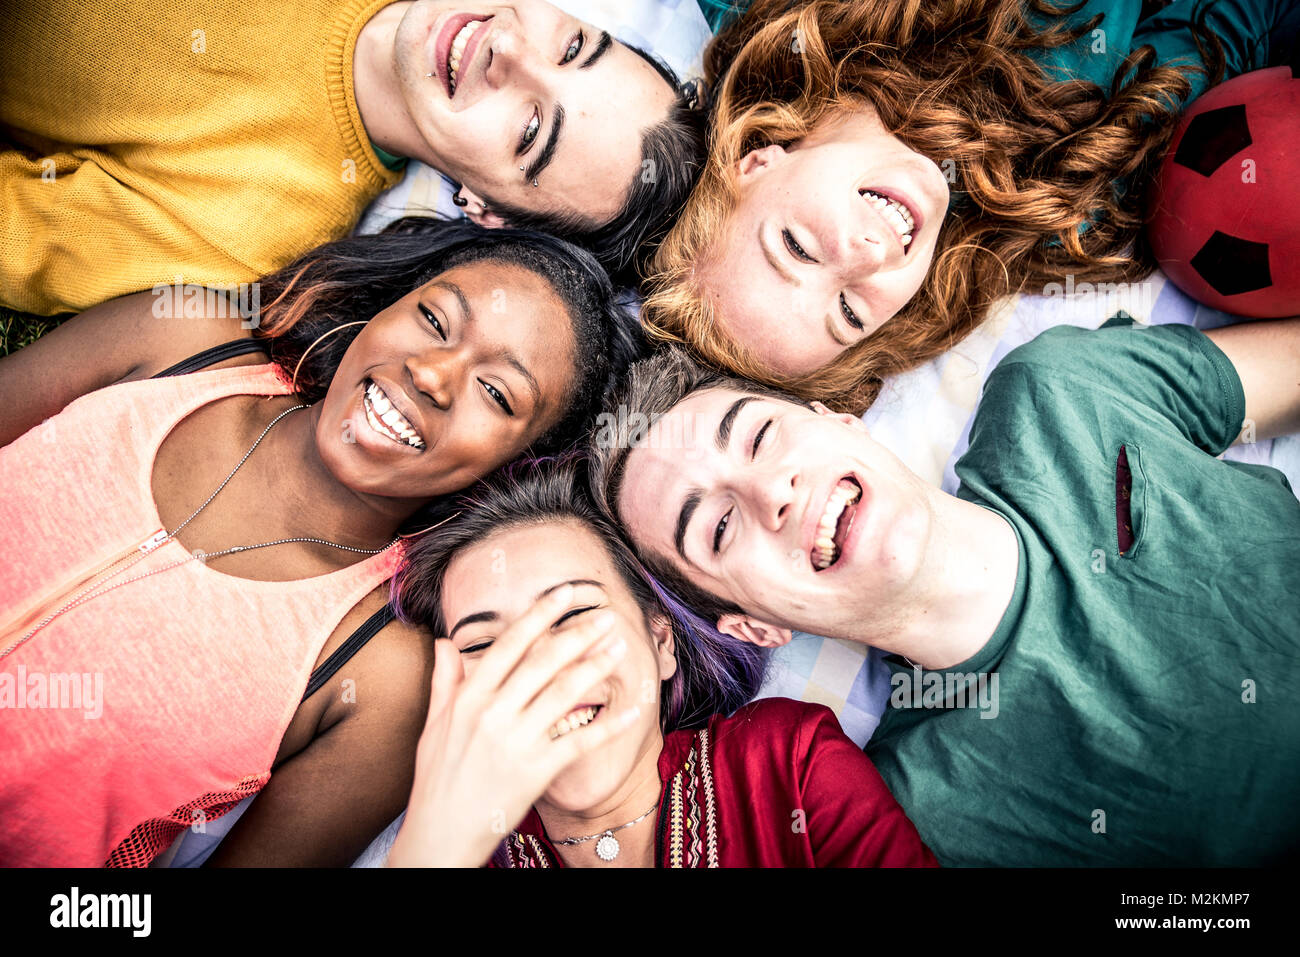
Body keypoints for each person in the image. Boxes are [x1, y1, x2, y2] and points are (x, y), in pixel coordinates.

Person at [0, 218, 637, 867]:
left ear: (511, 466)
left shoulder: (383, 676)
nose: (433, 374)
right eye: (434, 319)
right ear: (387, 303)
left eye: (496, 392)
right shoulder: (180, 341)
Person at [587, 315, 1300, 865]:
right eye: (716, 527)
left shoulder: (1062, 386)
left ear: (836, 420)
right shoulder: (934, 815)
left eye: (761, 436)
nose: (771, 490)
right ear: (754, 627)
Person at [643, 0, 1300, 412]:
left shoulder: (776, 17)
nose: (866, 255)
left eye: (796, 247)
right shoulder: (1070, 201)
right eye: (848, 312)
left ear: (757, 161)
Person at [383, 458, 937, 867]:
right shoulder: (443, 847)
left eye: (572, 612)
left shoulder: (786, 764)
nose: (539, 668)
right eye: (483, 646)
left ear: (661, 640)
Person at [0, 0, 706, 316]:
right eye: (573, 47)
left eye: (528, 133)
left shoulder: (244, 235)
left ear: (484, 208)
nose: (509, 52)